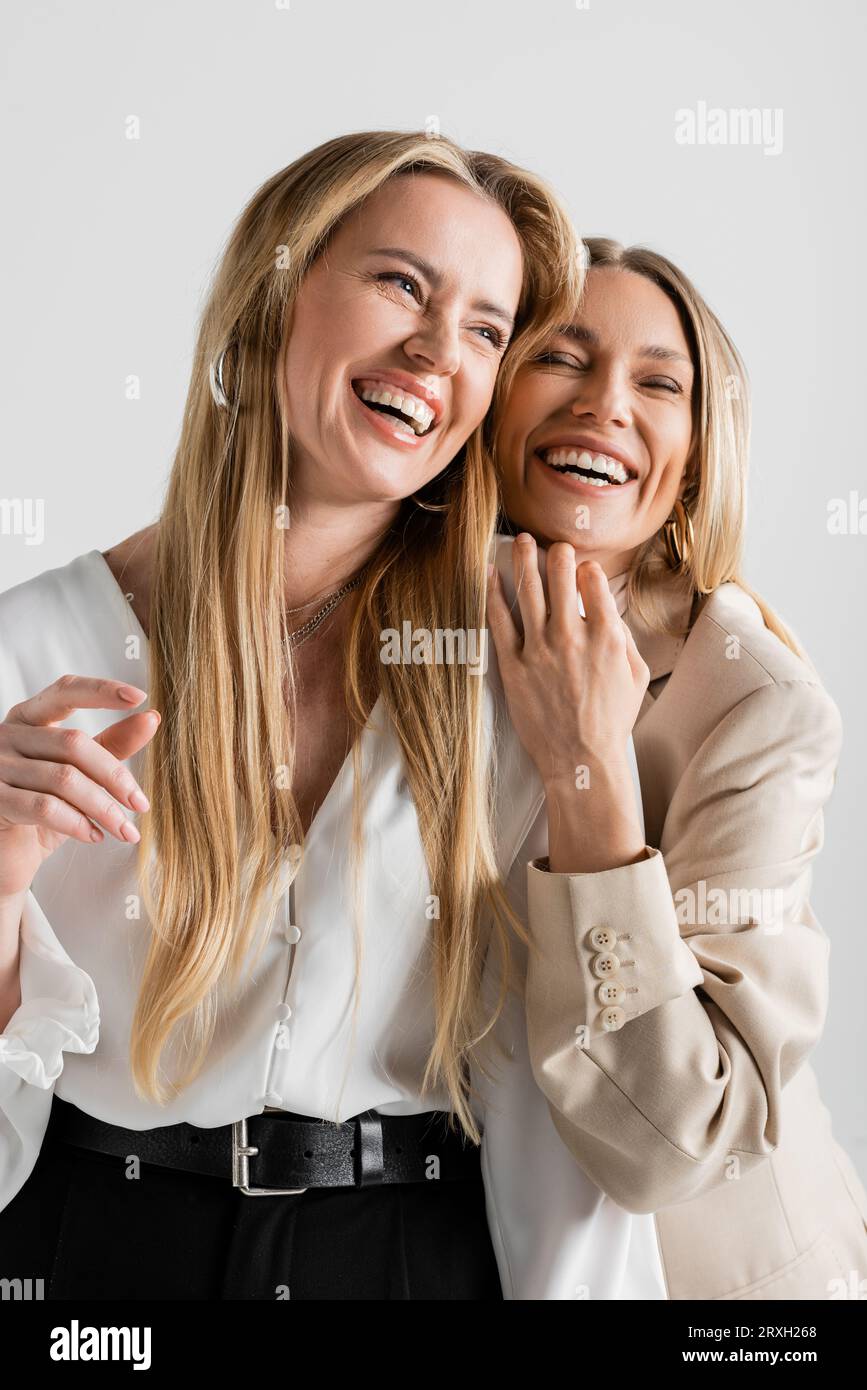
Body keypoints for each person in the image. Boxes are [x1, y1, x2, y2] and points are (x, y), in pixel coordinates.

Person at [0, 129, 584, 1300]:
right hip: (96, 1259)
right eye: (401, 284)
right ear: (276, 287)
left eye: (485, 327)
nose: (437, 350)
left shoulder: (520, 664)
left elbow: (558, 1087)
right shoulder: (31, 648)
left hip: (412, 1258)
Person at [484, 237, 867, 1299]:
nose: (607, 405)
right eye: (562, 357)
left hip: (726, 1292)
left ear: (694, 456)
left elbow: (676, 1136)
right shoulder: (414, 639)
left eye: (659, 383)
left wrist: (586, 766)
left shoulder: (755, 704)